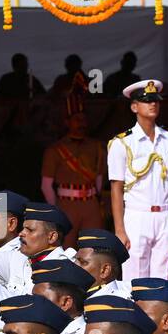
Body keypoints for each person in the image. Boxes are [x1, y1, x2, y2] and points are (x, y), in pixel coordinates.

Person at [109, 80, 168, 282]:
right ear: (134, 107)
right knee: (135, 278)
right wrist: (119, 230)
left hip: (165, 214)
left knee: (163, 277)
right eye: (146, 100)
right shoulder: (122, 142)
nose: (153, 104)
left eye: (156, 100)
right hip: (137, 214)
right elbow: (116, 188)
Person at [42, 78, 105, 246]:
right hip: (66, 204)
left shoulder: (97, 146)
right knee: (65, 248)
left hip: (90, 202)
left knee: (95, 248)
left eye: (83, 119)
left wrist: (96, 199)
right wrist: (55, 209)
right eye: (77, 119)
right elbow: (46, 185)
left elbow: (99, 177)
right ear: (67, 122)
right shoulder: (55, 150)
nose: (81, 123)